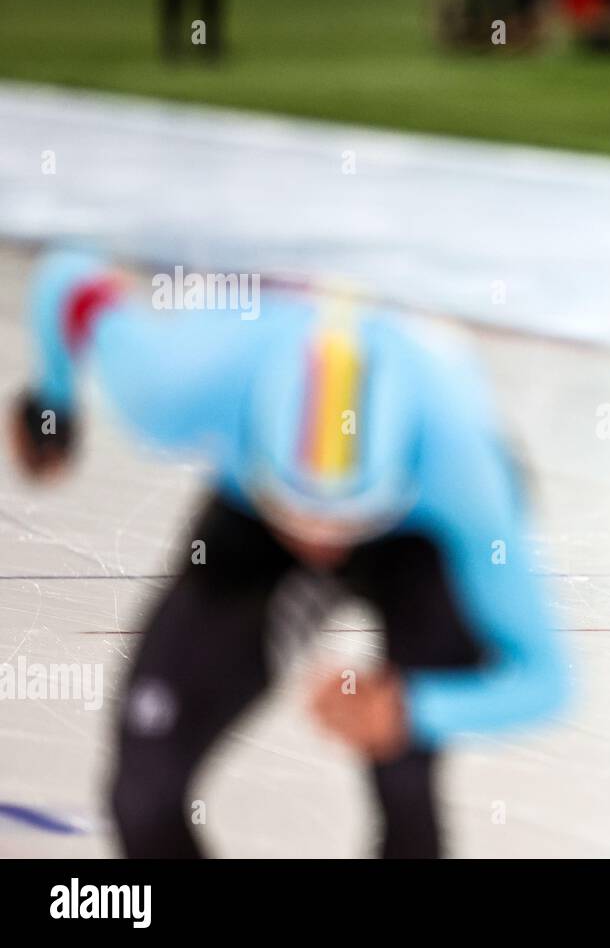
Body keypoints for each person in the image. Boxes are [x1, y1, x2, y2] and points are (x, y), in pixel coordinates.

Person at [10, 251, 569, 857]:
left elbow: (549, 680)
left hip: (415, 533)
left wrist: (416, 710)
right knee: (143, 788)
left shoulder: (466, 476)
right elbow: (67, 278)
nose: (325, 546)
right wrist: (52, 403)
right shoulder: (178, 386)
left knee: (400, 761)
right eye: (301, 517)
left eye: (348, 520)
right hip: (254, 518)